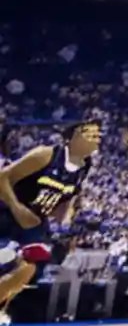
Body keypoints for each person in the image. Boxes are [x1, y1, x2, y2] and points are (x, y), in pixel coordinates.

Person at [0, 120, 99, 318]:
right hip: (7, 211)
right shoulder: (45, 155)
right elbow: (3, 178)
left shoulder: (83, 168)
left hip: (36, 220)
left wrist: (68, 222)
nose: (95, 139)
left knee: (31, 267)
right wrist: (18, 209)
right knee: (11, 262)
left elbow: (65, 201)